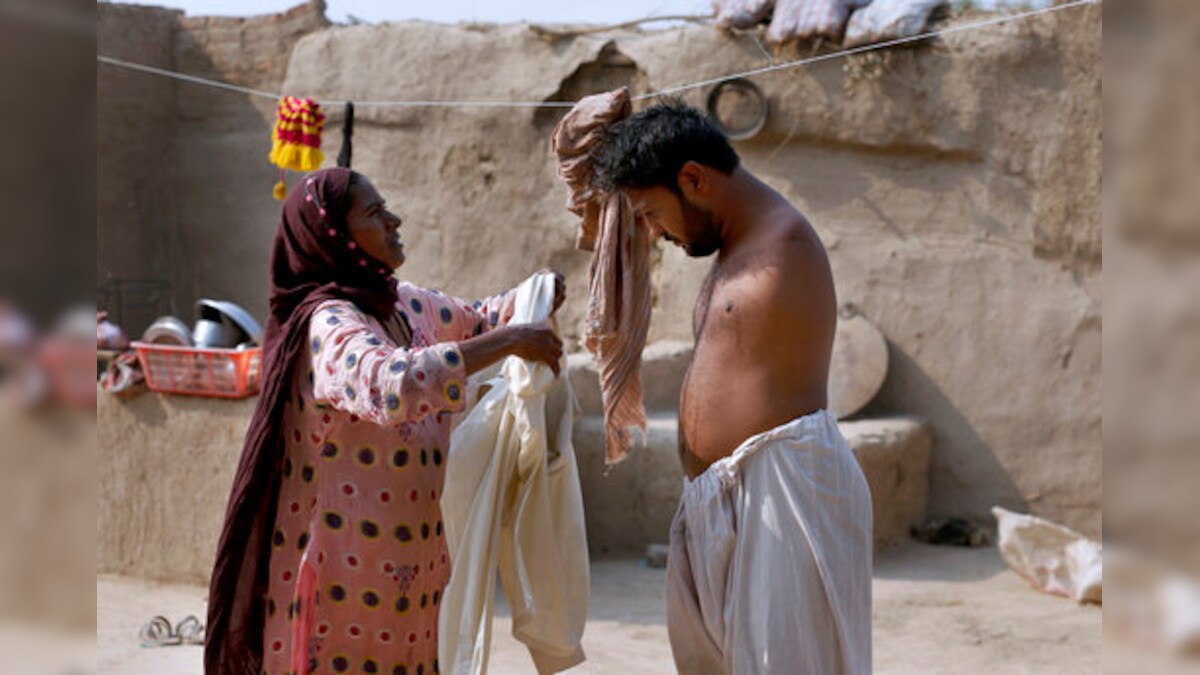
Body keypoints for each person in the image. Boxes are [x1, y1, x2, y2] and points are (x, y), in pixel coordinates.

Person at [204, 167, 564, 675]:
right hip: (341, 572)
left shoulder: (405, 305)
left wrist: (540, 292)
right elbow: (391, 384)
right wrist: (510, 342)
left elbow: (485, 317)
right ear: (336, 237)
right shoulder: (327, 324)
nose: (394, 219)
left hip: (414, 566)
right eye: (374, 214)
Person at [593, 102, 873, 674]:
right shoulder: (735, 250)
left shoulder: (785, 243)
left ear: (694, 179)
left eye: (649, 213)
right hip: (725, 498)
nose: (649, 232)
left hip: (786, 493)